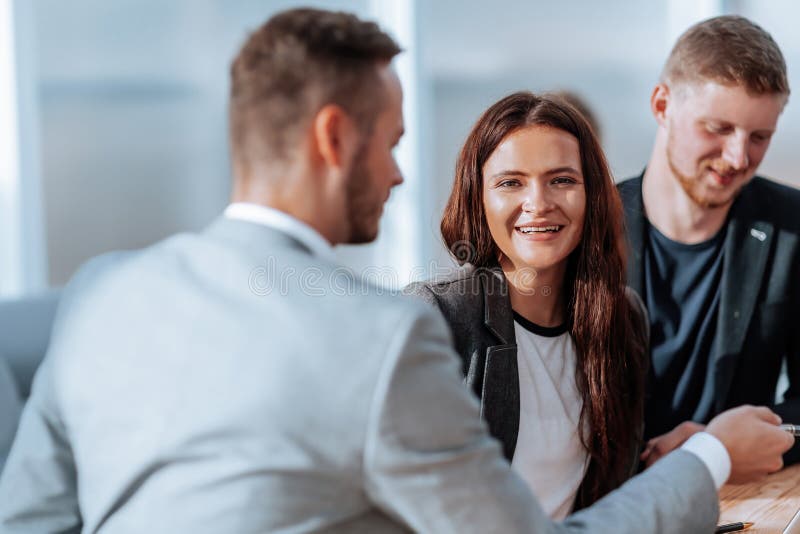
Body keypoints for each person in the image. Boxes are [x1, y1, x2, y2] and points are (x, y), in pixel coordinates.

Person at [0, 8, 792, 534]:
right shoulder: (390, 334)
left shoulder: (101, 292)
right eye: (391, 142)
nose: (401, 175)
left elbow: (29, 519)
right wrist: (709, 457)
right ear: (334, 137)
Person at [406, 92, 648, 518]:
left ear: (592, 194)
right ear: (477, 198)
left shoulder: (623, 319)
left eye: (562, 180)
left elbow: (613, 494)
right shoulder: (435, 317)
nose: (538, 203)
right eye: (510, 182)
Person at [617, 15, 800, 467]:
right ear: (662, 105)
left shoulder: (793, 227)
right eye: (718, 128)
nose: (739, 157)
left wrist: (722, 446)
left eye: (760, 137)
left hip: (744, 503)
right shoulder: (587, 229)